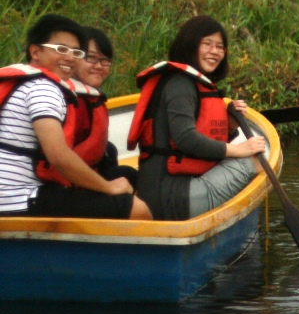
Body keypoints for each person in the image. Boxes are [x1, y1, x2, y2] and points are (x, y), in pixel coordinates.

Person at [0, 15, 151, 220]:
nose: (70, 57)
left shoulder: (24, 83)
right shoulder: (43, 89)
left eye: (76, 52)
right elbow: (58, 156)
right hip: (18, 197)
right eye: (61, 49)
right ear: (35, 51)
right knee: (136, 209)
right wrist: (107, 187)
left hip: (17, 194)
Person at [128, 16, 266, 221]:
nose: (215, 51)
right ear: (190, 45)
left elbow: (196, 141)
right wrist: (239, 149)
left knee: (243, 156)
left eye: (220, 46)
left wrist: (229, 125)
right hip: (172, 199)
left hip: (177, 191)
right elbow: (185, 139)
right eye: (207, 44)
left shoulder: (190, 82)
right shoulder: (179, 84)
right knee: (257, 160)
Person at [75, 26, 136, 187]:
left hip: (89, 175)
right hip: (68, 185)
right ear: (73, 57)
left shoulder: (90, 98)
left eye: (105, 60)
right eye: (91, 58)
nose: (99, 66)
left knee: (112, 153)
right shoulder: (65, 101)